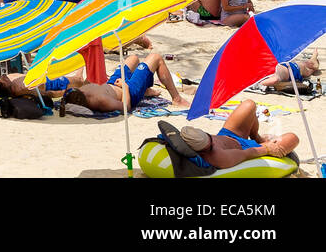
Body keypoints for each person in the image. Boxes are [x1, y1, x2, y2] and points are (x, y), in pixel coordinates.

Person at [175, 102, 299, 168]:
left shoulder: (188, 138)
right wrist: (267, 148)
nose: (213, 142)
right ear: (204, 152)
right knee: (292, 138)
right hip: (244, 147)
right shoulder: (218, 157)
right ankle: (260, 141)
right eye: (211, 145)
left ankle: (257, 137)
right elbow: (248, 153)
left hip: (228, 134)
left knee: (249, 105)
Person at [58, 50, 186, 113]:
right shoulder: (102, 102)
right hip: (130, 90)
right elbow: (126, 108)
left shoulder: (78, 93)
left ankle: (146, 89)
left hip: (113, 83)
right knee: (156, 58)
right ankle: (177, 99)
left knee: (133, 58)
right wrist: (124, 87)